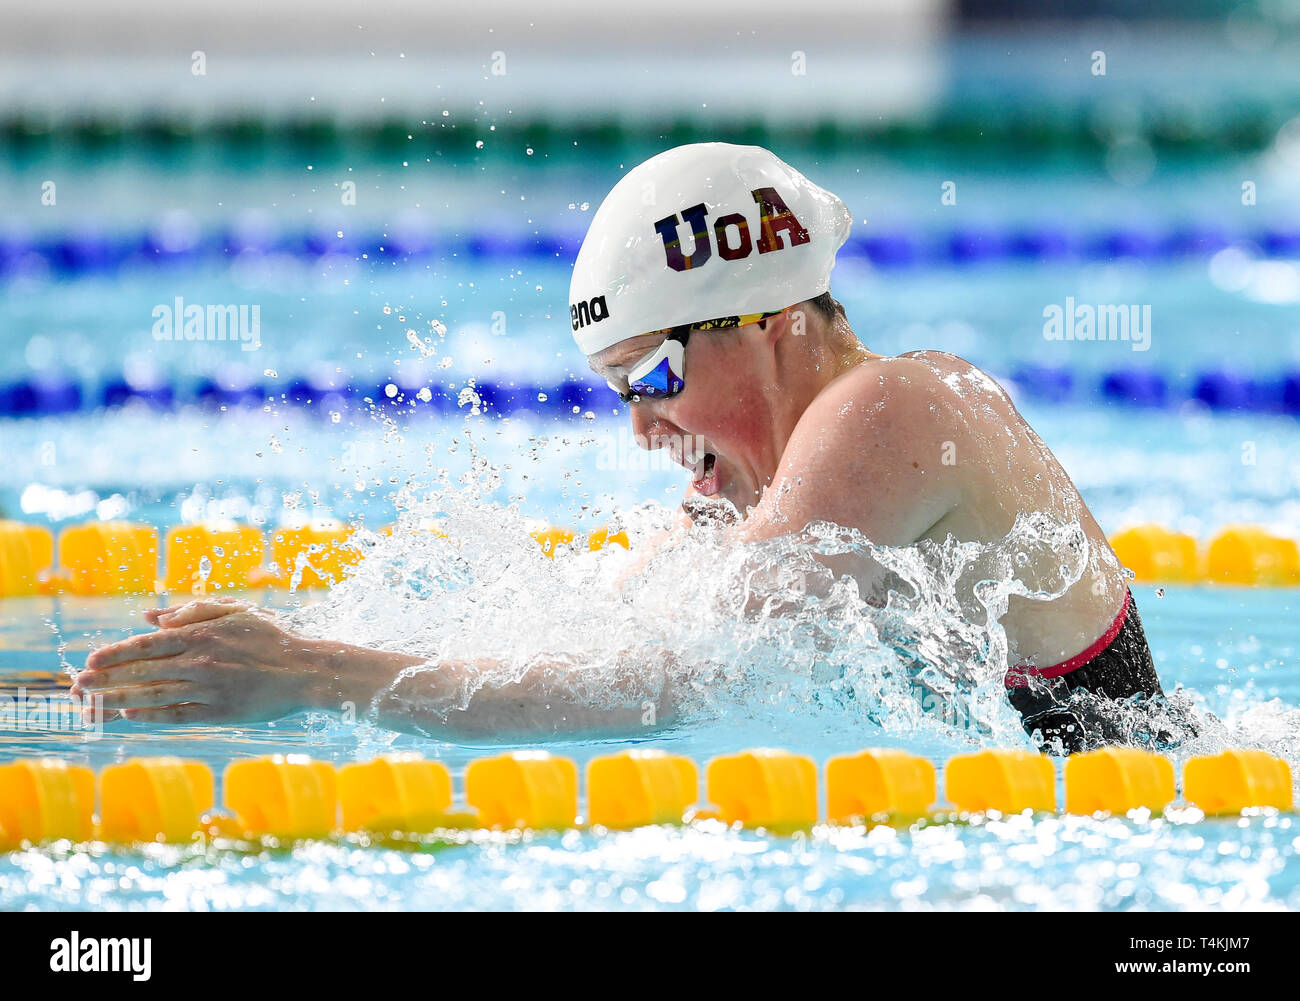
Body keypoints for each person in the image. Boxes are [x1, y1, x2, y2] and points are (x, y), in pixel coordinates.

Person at [74, 142, 1186, 753]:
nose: (647, 428)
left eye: (655, 376)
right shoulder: (756, 492)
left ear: (770, 318)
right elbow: (581, 637)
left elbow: (670, 681)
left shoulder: (886, 408)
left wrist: (316, 676)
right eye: (620, 394)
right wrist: (293, 640)